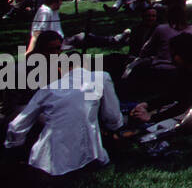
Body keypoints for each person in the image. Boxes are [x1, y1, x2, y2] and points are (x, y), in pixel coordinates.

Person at [5, 32, 124, 176]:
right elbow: (14, 105)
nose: (57, 53)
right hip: (26, 108)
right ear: (39, 50)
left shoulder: (60, 66)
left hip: (54, 107)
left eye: (58, 49)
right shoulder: (20, 70)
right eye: (51, 49)